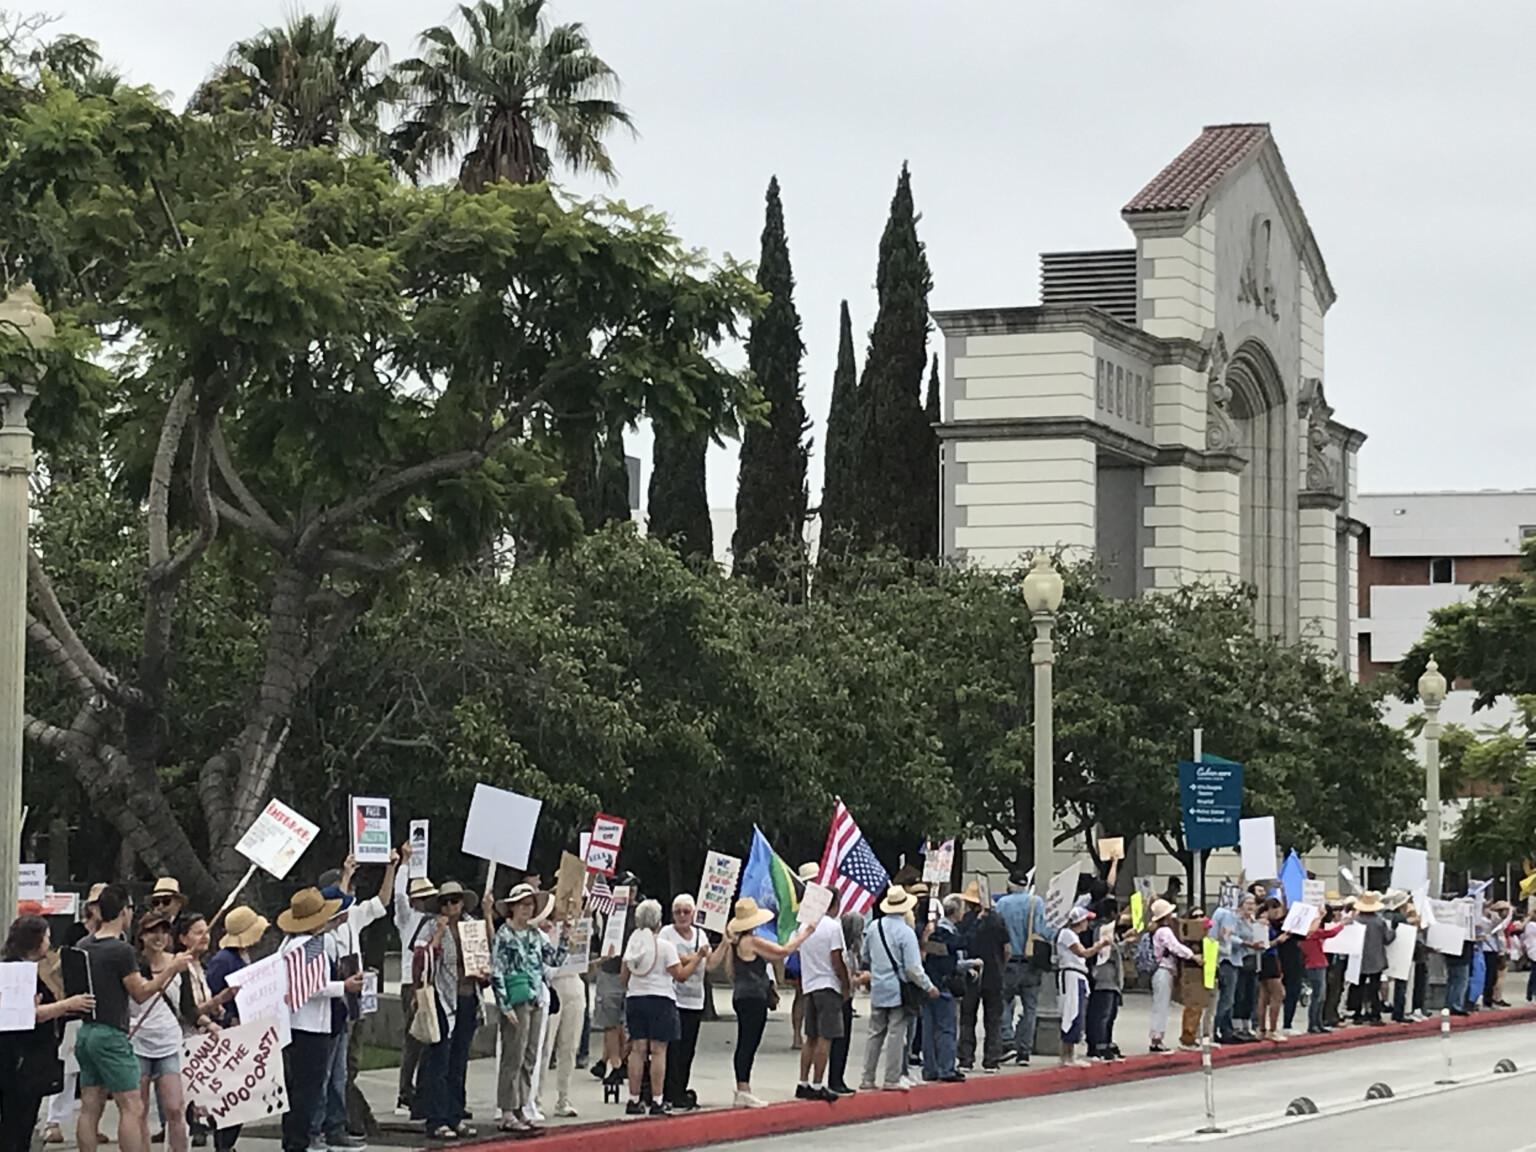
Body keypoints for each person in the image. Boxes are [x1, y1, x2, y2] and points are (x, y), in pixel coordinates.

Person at [76, 886, 194, 1152]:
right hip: (112, 1033)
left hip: (87, 1031)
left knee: (90, 1104)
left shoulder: (84, 945)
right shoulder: (121, 950)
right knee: (132, 1106)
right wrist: (171, 970)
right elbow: (140, 993)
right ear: (123, 911)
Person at [278, 889, 365, 1152]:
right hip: (310, 1025)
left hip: (298, 1023)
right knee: (309, 1088)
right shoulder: (309, 946)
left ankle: (295, 1139)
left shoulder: (289, 944)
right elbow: (312, 987)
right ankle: (299, 1141)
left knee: (300, 1086)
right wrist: (343, 986)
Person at [2, 914, 94, 1152]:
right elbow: (27, 1013)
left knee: (21, 1121)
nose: (48, 943)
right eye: (46, 938)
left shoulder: (27, 970)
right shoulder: (17, 972)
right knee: (16, 1122)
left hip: (27, 1057)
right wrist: (66, 1005)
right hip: (18, 1059)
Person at [708, 897, 808, 1108]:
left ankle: (743, 1087)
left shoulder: (735, 945)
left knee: (745, 1040)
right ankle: (743, 1088)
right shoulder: (751, 941)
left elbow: (730, 972)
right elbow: (781, 952)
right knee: (749, 1042)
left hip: (741, 995)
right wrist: (804, 935)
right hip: (753, 997)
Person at [488, 884, 568, 1134]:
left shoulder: (534, 935)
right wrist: (504, 1004)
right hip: (516, 997)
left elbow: (553, 960)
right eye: (522, 904)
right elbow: (497, 970)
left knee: (530, 1055)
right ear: (512, 907)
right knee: (513, 1054)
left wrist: (565, 936)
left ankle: (522, 1104)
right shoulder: (504, 934)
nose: (527, 909)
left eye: (530, 905)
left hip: (534, 997)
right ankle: (507, 1109)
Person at [620, 899, 703, 1116]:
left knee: (637, 1050)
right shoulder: (665, 946)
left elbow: (623, 978)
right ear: (658, 922)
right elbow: (681, 976)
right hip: (661, 999)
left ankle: (633, 1098)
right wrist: (698, 958)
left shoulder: (632, 945)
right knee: (658, 1051)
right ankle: (657, 1100)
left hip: (635, 998)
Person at [42, 886, 105, 1145]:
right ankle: (53, 1120)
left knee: (95, 1072)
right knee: (68, 1067)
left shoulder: (116, 935)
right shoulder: (76, 933)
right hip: (73, 1007)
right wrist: (63, 997)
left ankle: (93, 1123)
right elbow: (59, 966)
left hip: (99, 1008)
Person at [202, 906, 267, 1152]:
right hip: (228, 1030)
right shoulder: (223, 961)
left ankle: (228, 1144)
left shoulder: (242, 955)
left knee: (242, 1094)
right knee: (230, 1095)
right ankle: (223, 1145)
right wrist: (228, 1016)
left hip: (245, 1028)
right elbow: (212, 996)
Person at [861, 886, 937, 1092]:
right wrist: (929, 986)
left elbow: (865, 956)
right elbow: (913, 968)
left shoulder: (874, 927)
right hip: (900, 989)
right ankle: (891, 1077)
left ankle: (867, 1077)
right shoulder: (906, 932)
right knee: (897, 1034)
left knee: (875, 1033)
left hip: (878, 987)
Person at [128, 911, 194, 1152]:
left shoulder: (180, 964)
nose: (159, 936)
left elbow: (188, 1007)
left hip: (169, 1043)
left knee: (176, 1107)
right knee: (139, 1110)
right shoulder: (132, 965)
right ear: (141, 935)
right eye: (153, 931)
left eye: (164, 931)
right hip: (138, 1042)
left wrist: (209, 1022)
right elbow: (138, 994)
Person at [391, 846, 437, 1117]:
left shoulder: (433, 921)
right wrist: (405, 864)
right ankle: (404, 1093)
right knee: (413, 1041)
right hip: (411, 982)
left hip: (431, 982)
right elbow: (398, 896)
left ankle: (422, 1091)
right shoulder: (406, 918)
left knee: (430, 1040)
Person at [657, 895, 709, 1111]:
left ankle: (681, 1089)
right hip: (672, 997)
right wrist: (697, 956)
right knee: (673, 1048)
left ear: (693, 914)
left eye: (686, 912)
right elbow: (674, 959)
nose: (682, 916)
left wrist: (725, 943)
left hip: (695, 999)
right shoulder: (666, 934)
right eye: (677, 911)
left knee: (688, 1048)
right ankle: (669, 1091)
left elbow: (711, 962)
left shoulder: (700, 934)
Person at [921, 896, 976, 1083]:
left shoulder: (927, 931)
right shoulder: (944, 932)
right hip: (941, 984)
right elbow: (961, 943)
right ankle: (946, 1068)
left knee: (929, 1028)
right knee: (946, 1028)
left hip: (927, 983)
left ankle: (930, 1068)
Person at [993, 873, 1047, 1066]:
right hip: (1031, 961)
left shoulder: (1001, 904)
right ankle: (1024, 1050)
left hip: (1008, 961)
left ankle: (1007, 1039)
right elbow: (1044, 930)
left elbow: (996, 931)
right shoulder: (1037, 902)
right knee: (1030, 1007)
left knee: (1004, 1001)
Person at [956, 882, 1008, 1074]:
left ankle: (965, 1059)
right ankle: (991, 1060)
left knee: (967, 1017)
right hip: (994, 973)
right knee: (993, 1019)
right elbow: (1006, 948)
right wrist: (1001, 966)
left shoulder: (965, 921)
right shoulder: (997, 919)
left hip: (970, 973)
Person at [1056, 906, 1107, 1067]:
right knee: (1071, 1013)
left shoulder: (1072, 935)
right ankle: (1067, 1055)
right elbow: (1083, 953)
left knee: (1077, 1014)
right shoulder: (1067, 935)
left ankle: (1070, 1053)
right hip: (1071, 975)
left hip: (1078, 975)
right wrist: (1099, 945)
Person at [827, 912, 870, 1096]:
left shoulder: (851, 950)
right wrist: (860, 980)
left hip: (847, 997)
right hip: (841, 996)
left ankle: (838, 1077)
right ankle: (834, 1079)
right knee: (839, 1040)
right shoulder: (844, 950)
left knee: (843, 1041)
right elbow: (843, 974)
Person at [1086, 899, 1130, 1061]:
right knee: (1103, 1013)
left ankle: (1106, 1041)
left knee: (1110, 1013)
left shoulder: (1109, 931)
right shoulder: (1103, 930)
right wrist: (1124, 943)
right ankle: (1099, 1044)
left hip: (1110, 977)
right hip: (1104, 976)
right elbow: (1107, 951)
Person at [1147, 900, 1192, 1054]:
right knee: (1162, 1005)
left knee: (1160, 1004)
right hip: (1164, 970)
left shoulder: (1155, 931)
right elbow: (1175, 947)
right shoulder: (1164, 931)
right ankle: (1157, 1039)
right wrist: (1192, 955)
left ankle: (1157, 1037)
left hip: (1160, 970)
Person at [1352, 891, 1396, 1025]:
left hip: (1359, 958)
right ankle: (1375, 1014)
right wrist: (1393, 931)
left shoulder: (1355, 921)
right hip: (1377, 958)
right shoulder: (1379, 921)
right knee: (1374, 988)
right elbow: (1387, 939)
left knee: (1358, 987)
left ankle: (1358, 1013)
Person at [1254, 898, 1287, 1040]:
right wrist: (1279, 940)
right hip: (1268, 959)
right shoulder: (1263, 924)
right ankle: (1272, 1029)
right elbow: (1265, 944)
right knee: (1278, 994)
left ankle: (1262, 1028)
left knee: (1264, 995)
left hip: (1262, 960)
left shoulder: (1260, 923)